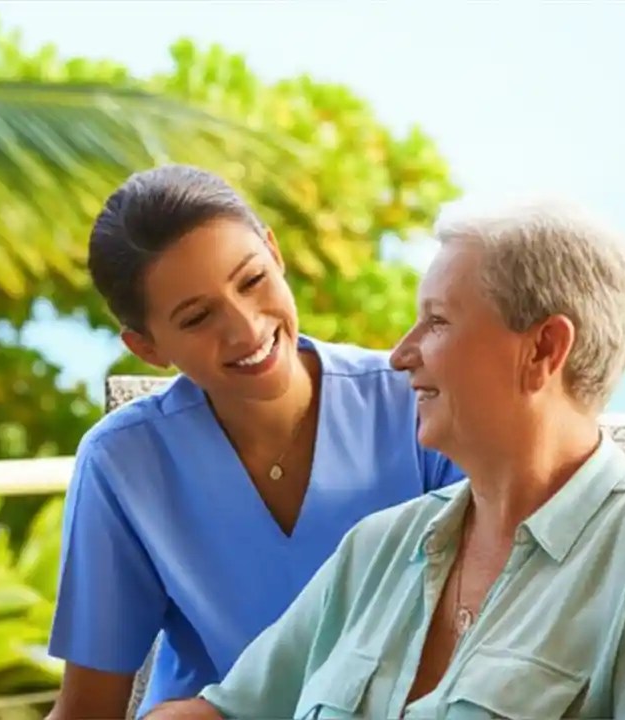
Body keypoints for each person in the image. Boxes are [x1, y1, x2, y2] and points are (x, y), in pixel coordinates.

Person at [146, 196, 625, 719]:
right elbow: (222, 713)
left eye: (436, 321)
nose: (402, 353)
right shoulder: (377, 549)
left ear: (543, 349)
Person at [44, 164, 465, 720]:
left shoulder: (418, 401)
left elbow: (489, 637)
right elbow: (87, 710)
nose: (245, 329)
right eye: (197, 318)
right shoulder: (123, 463)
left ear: (274, 251)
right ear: (146, 347)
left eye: (252, 280)